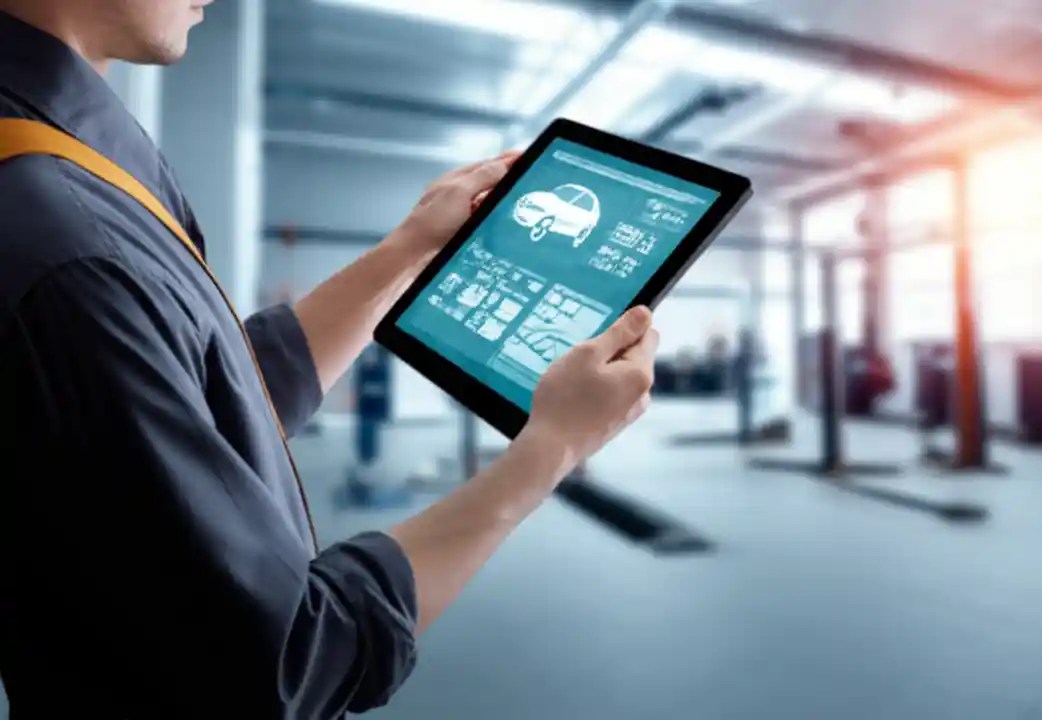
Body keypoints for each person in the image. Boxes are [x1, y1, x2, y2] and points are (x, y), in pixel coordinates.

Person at [0, 1, 659, 716]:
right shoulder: (71, 238)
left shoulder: (56, 152)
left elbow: (196, 396)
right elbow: (283, 664)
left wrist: (407, 251)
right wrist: (551, 449)